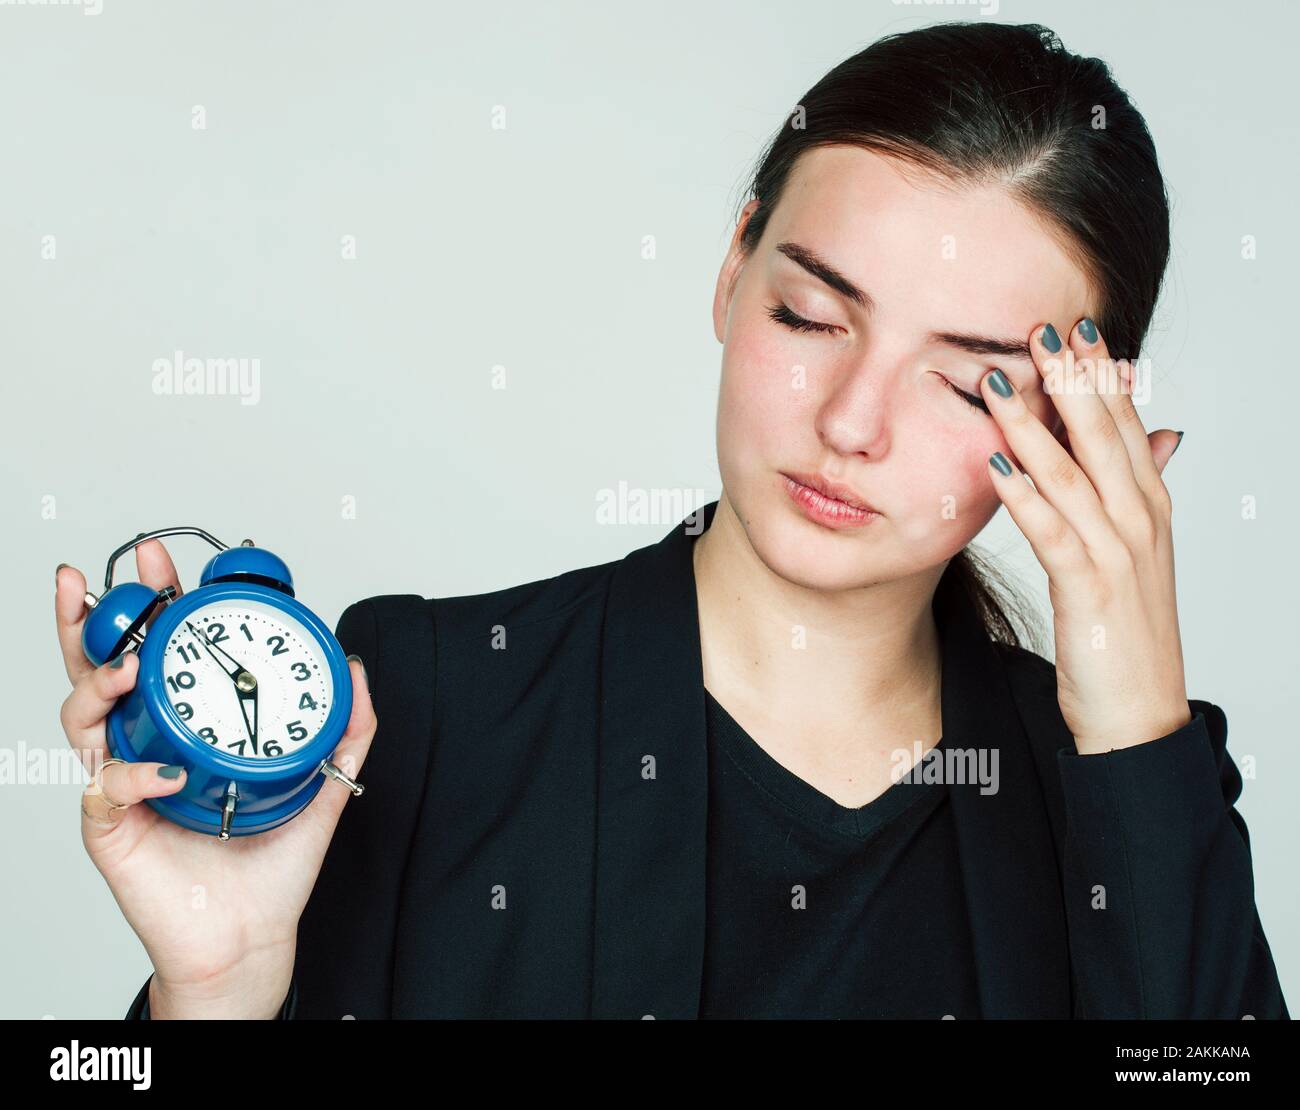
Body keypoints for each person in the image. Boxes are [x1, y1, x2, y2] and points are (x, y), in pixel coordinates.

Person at [54, 21, 1288, 1019]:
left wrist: (1135, 736)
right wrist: (214, 998)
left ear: (1085, 424)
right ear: (731, 268)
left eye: (970, 380)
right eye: (810, 315)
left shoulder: (1119, 804)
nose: (852, 422)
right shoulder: (411, 711)